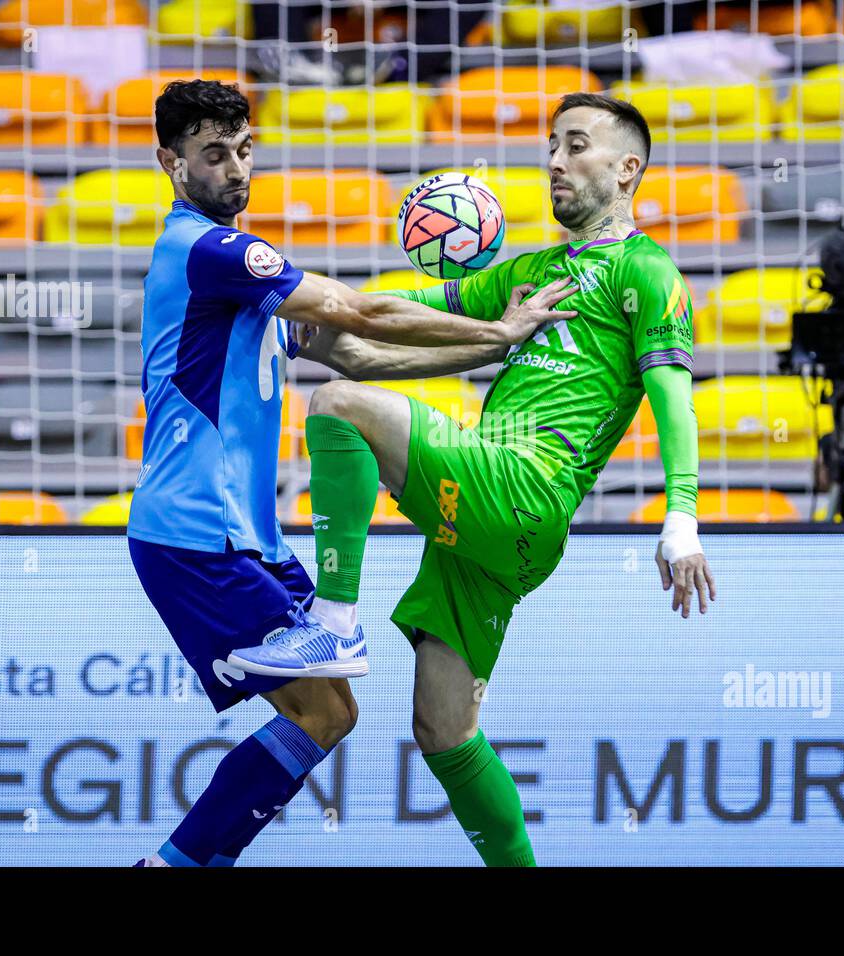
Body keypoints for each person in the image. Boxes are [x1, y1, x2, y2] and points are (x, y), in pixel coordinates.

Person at [229, 92, 718, 866]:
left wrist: (682, 518)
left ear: (629, 170)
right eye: (552, 145)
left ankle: (334, 621)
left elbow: (673, 397)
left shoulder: (646, 270)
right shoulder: (530, 274)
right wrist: (301, 320)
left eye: (577, 146)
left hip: (525, 486)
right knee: (444, 731)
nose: (555, 161)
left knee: (339, 408)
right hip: (498, 533)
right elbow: (388, 315)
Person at [126, 79, 571, 867]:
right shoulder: (210, 253)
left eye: (243, 149)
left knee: (329, 712)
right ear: (171, 162)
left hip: (244, 538)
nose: (234, 168)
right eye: (212, 154)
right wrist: (496, 322)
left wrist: (500, 346)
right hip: (195, 532)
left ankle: (184, 861)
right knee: (320, 704)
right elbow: (361, 313)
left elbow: (361, 355)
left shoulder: (243, 290)